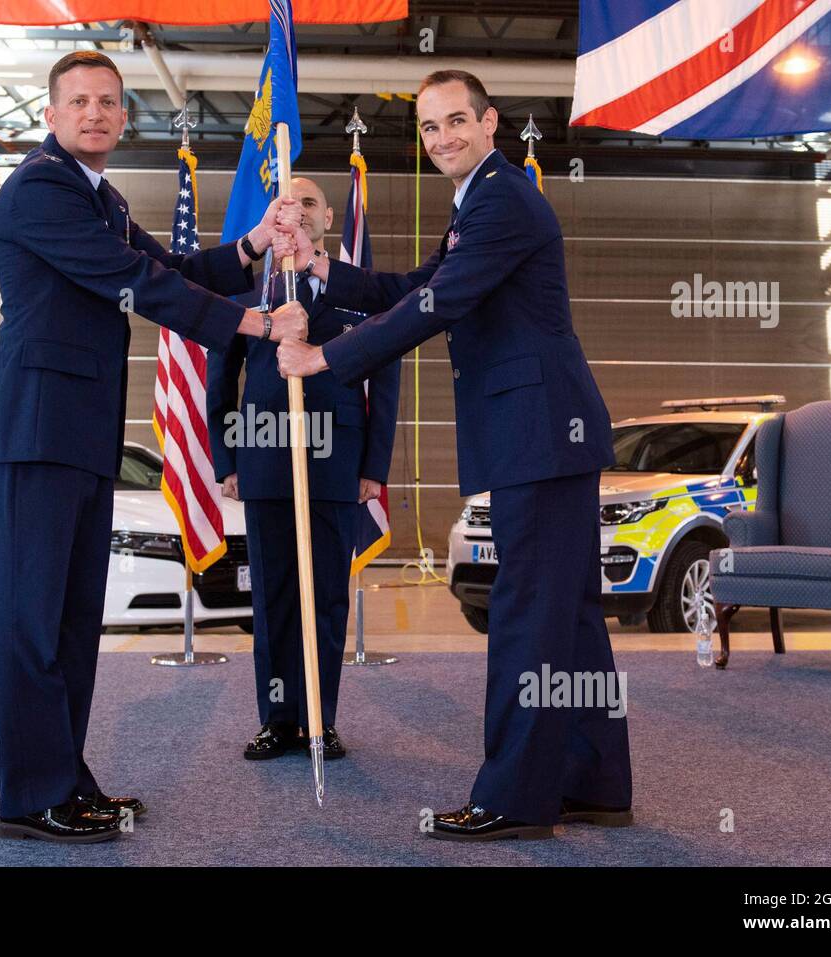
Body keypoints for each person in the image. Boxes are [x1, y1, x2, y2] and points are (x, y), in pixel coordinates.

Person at [277, 70, 633, 841]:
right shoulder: (478, 202)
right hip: (544, 433)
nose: (442, 138)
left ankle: (515, 796)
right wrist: (317, 268)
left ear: (491, 121)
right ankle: (593, 777)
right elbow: (413, 285)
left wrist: (325, 360)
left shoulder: (501, 197)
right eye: (431, 127)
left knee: (527, 617)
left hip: (536, 435)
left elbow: (434, 307)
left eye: (456, 121)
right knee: (568, 618)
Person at [0, 50, 308, 845]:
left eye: (108, 103)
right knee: (30, 622)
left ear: (126, 118)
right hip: (34, 430)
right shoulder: (42, 190)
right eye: (79, 101)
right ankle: (29, 797)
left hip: (81, 433)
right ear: (50, 116)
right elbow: (136, 280)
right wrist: (254, 324)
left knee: (69, 622)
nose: (94, 113)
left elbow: (177, 267)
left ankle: (65, 781)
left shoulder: (101, 194)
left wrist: (257, 240)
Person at [206, 177, 400, 764]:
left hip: (336, 463)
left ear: (327, 216)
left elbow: (385, 379)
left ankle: (321, 720)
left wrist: (375, 465)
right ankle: (278, 719)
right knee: (273, 597)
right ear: (274, 215)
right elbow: (221, 380)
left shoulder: (356, 290)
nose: (298, 210)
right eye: (287, 202)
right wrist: (226, 457)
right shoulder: (249, 293)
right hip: (264, 460)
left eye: (309, 201)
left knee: (325, 599)